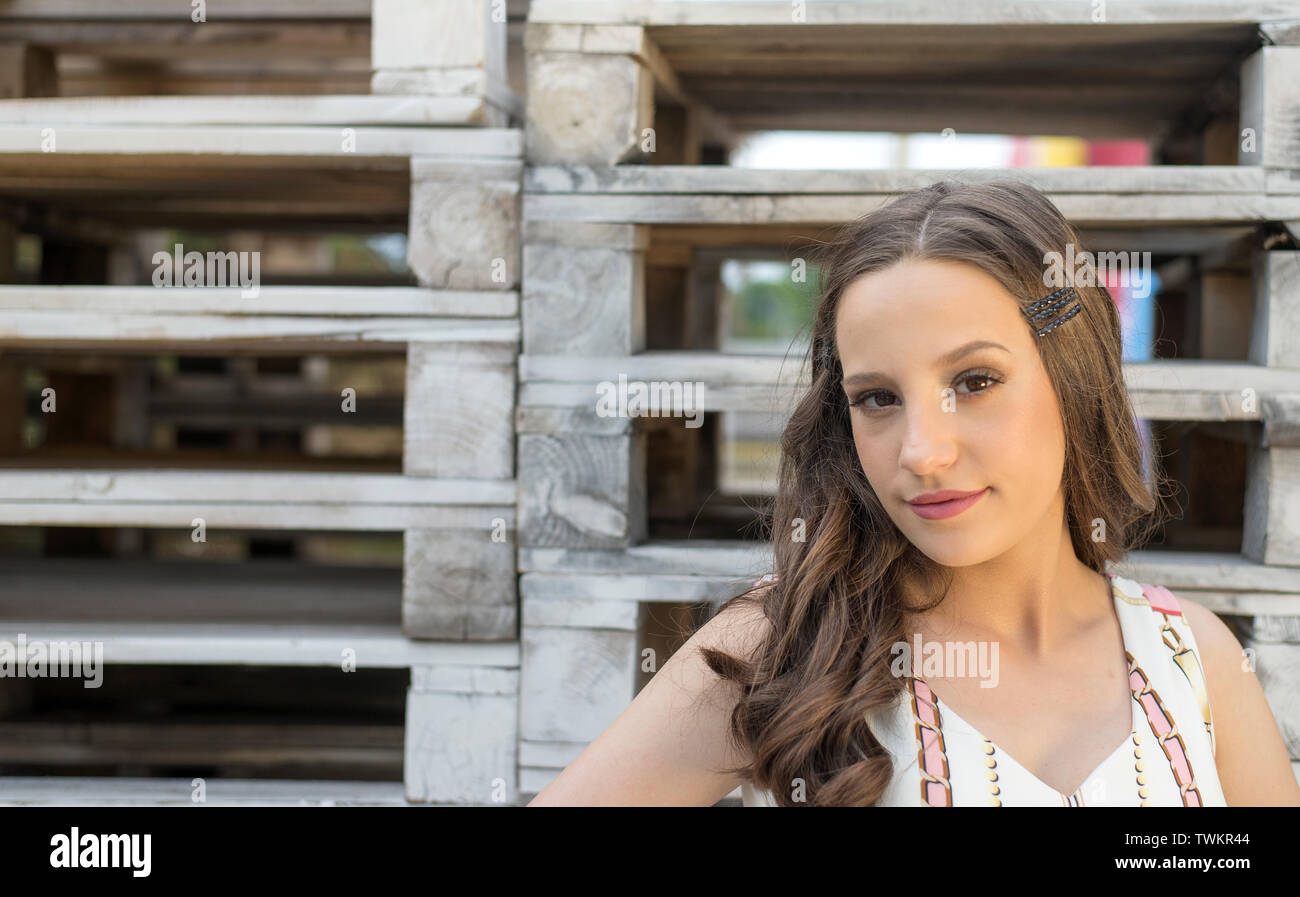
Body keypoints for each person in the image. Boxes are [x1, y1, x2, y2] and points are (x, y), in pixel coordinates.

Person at [526, 180, 1300, 806]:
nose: (924, 454)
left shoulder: (1192, 656)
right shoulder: (785, 648)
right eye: (878, 398)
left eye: (975, 380)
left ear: (1077, 378)